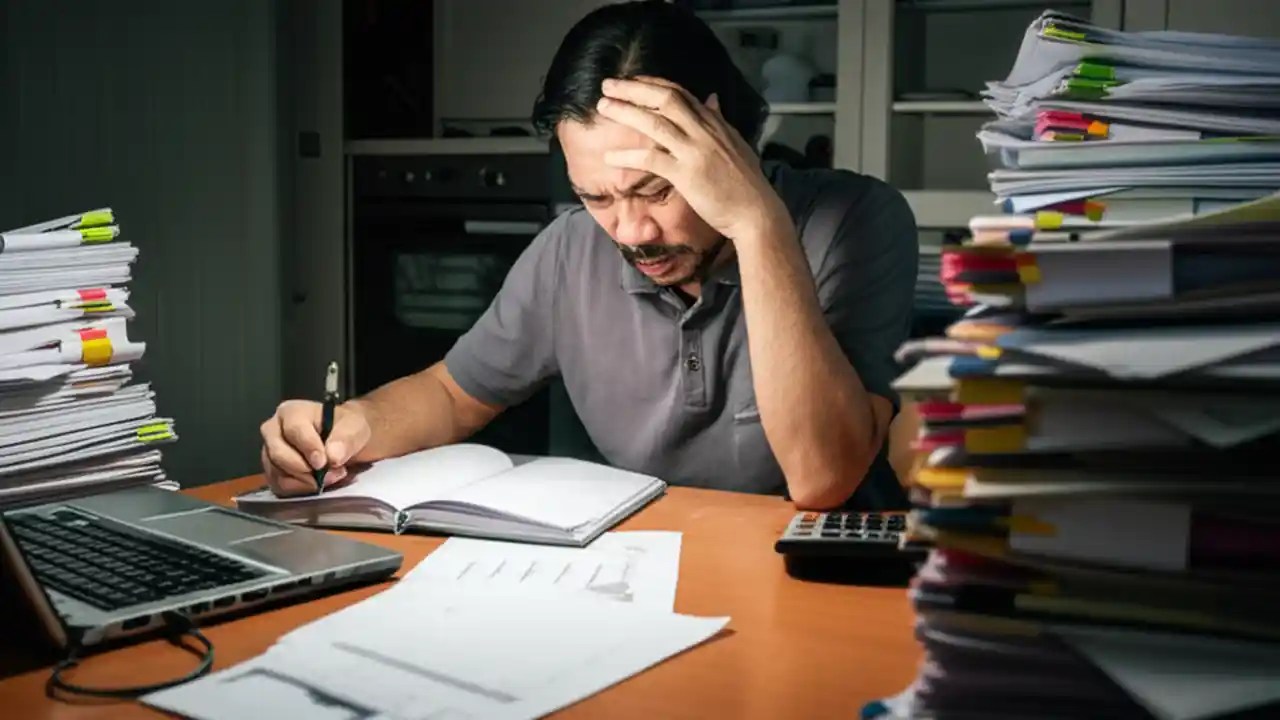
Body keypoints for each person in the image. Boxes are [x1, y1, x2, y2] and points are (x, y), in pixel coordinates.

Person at [260, 0, 919, 510]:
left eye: (656, 189)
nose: (630, 231)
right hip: (649, 566)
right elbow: (451, 394)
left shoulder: (856, 221)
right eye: (595, 196)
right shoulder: (571, 252)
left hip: (819, 576)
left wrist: (756, 222)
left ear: (725, 145)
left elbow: (823, 477)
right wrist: (348, 426)